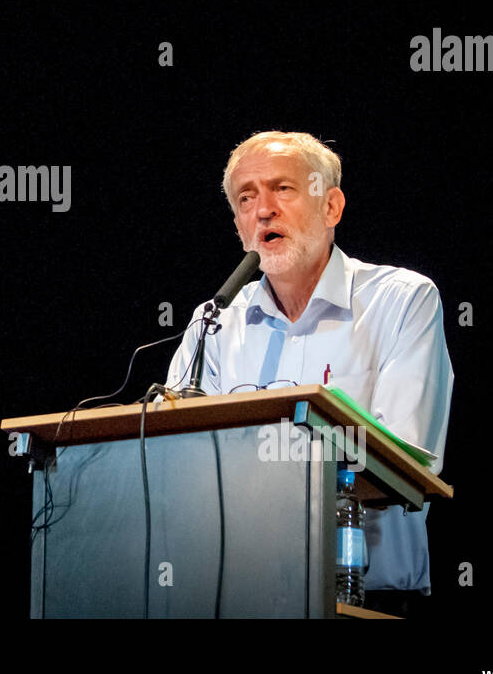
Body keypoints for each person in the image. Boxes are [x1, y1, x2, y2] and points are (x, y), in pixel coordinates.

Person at [163, 130, 453, 617]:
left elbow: (406, 460)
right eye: (245, 197)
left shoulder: (400, 300)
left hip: (366, 599)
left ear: (331, 207)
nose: (263, 210)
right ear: (237, 222)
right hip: (236, 598)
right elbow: (176, 463)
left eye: (283, 189)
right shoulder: (213, 322)